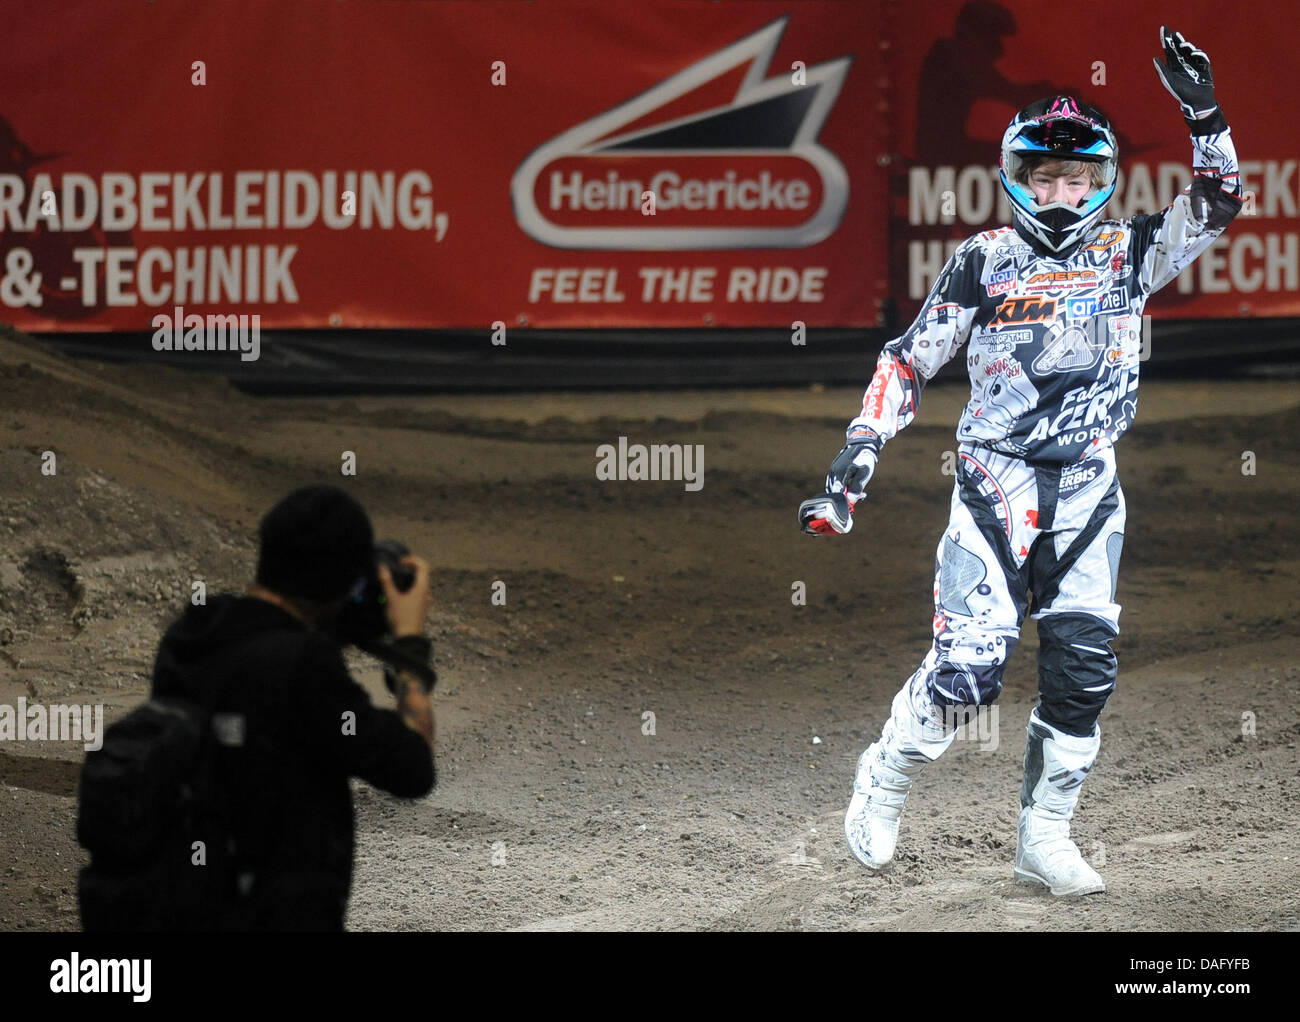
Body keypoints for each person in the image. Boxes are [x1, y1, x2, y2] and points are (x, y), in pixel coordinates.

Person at [799, 28, 1241, 896]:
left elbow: (1219, 199)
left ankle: (1045, 835)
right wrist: (859, 451)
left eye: (1080, 177)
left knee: (1084, 668)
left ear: (1104, 181)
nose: (1065, 191)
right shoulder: (983, 261)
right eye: (1048, 176)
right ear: (1018, 178)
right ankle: (885, 775)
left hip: (1089, 484)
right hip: (997, 482)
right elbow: (907, 358)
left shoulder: (1132, 254)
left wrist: (1204, 109)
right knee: (970, 671)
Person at [134, 485, 434, 929]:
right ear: (342, 582)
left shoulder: (193, 635)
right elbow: (412, 769)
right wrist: (408, 646)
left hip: (184, 904)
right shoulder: (304, 666)